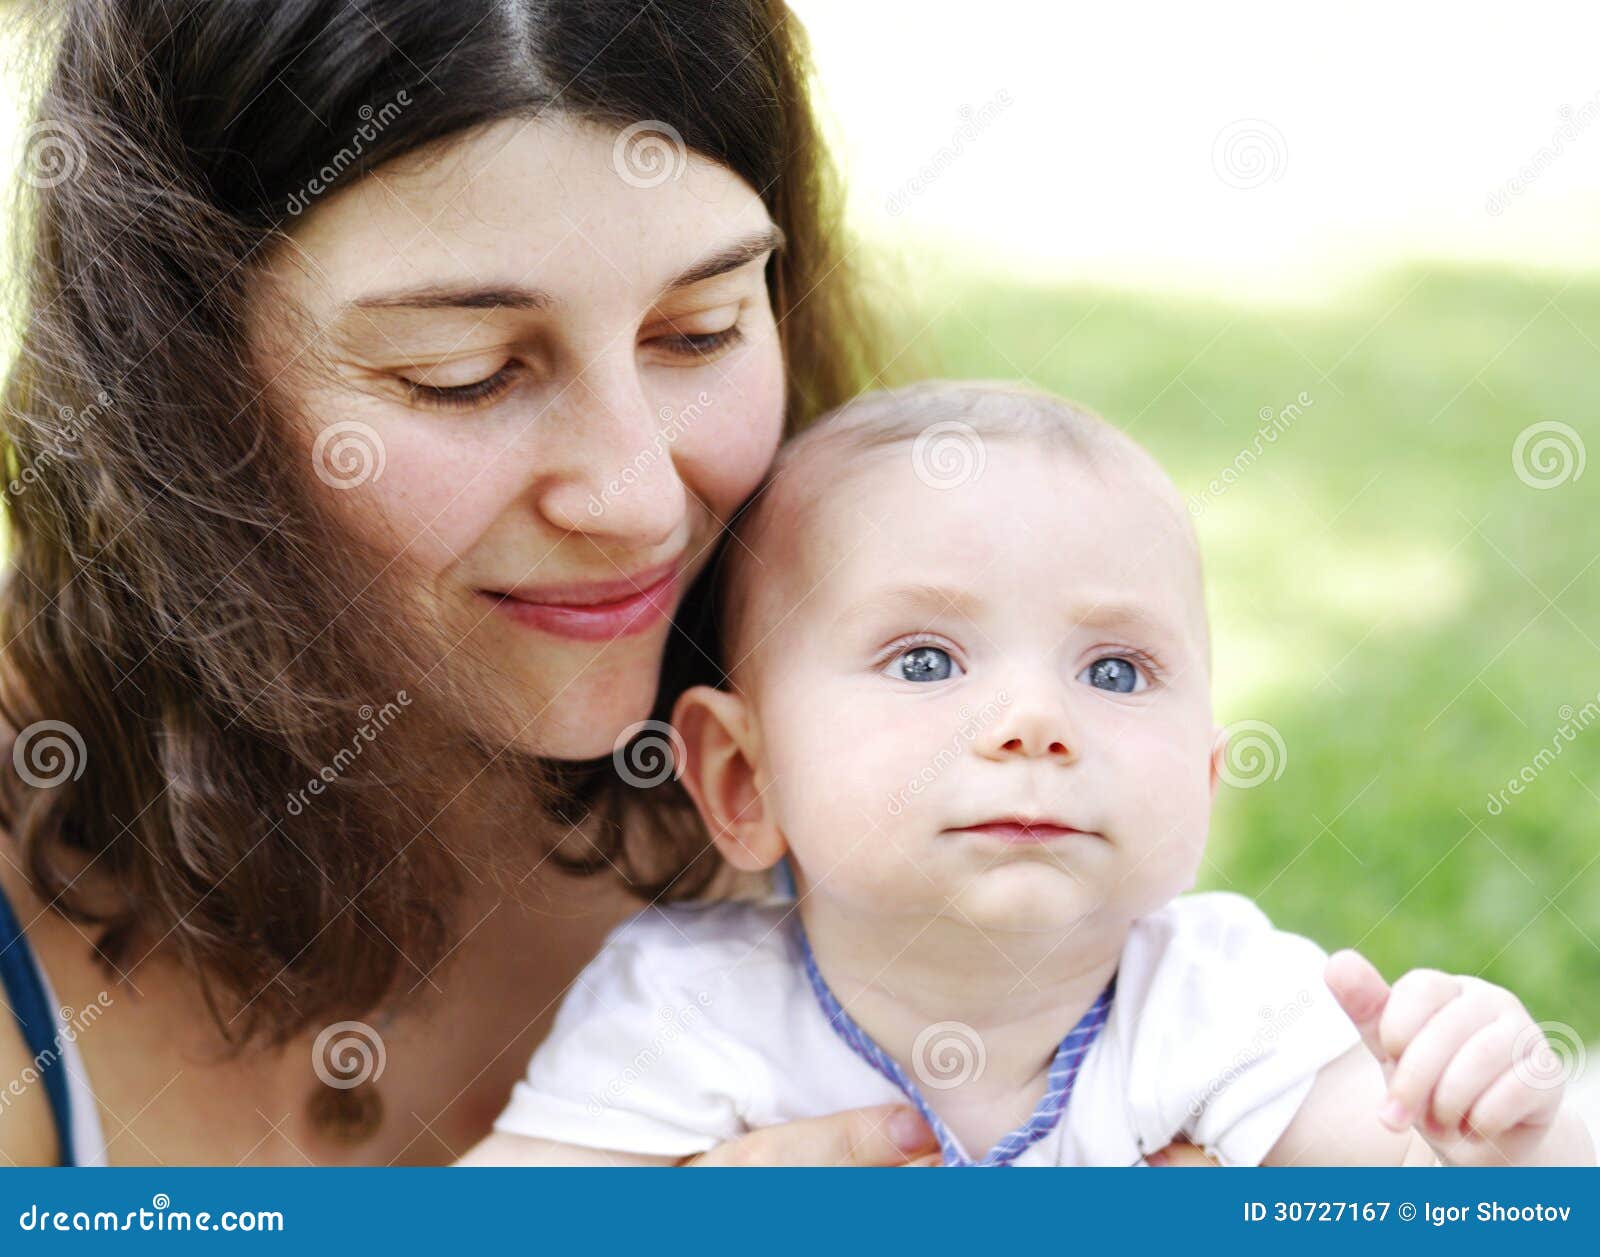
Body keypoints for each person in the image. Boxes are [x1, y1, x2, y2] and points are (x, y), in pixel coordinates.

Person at [0, 0, 1220, 1169]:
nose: (638, 502)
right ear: (174, 394)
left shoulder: (886, 758)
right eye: (463, 374)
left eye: (699, 332)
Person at [475, 382, 1595, 1166]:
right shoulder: (687, 1011)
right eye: (924, 660)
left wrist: (1501, 1148)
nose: (1033, 721)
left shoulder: (1217, 998)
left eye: (1114, 667)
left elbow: (1402, 1192)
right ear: (741, 780)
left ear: (1204, 781)